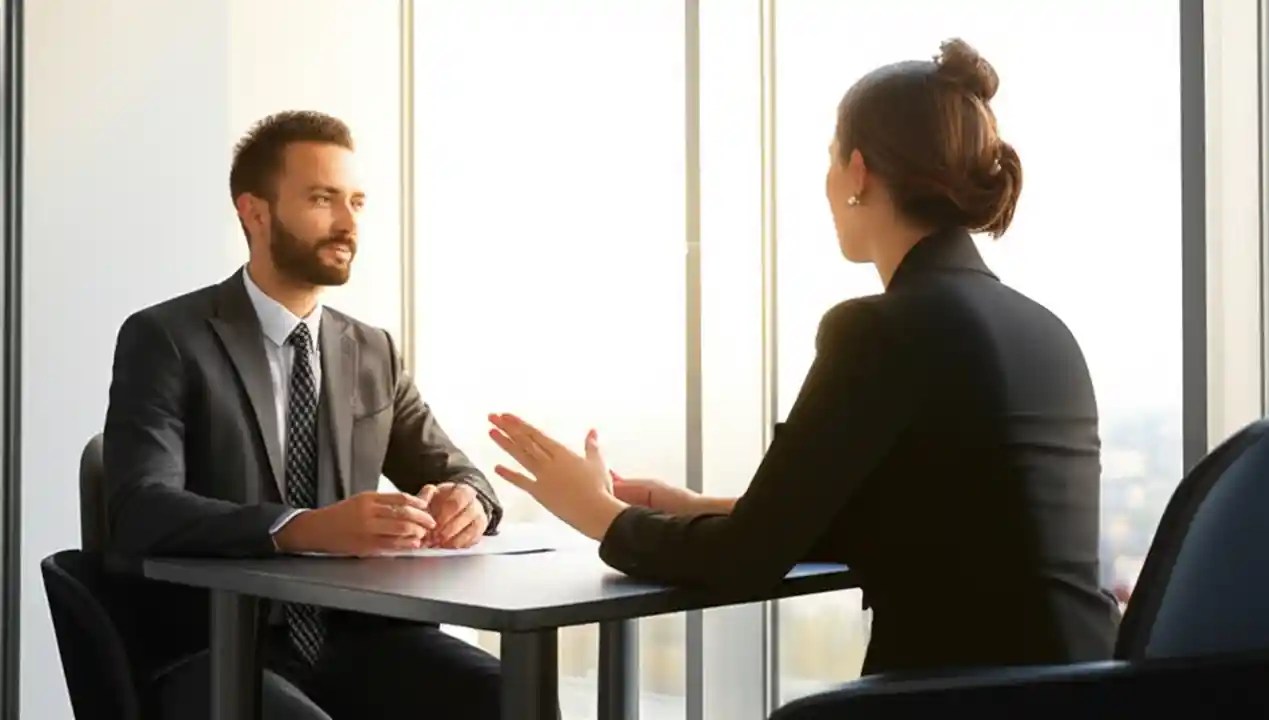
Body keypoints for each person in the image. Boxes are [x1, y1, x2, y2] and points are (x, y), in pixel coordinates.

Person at [485, 39, 1122, 678]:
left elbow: (745, 559)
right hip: (1087, 690)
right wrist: (688, 505)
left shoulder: (881, 331)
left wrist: (597, 513)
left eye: (829, 158)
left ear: (858, 172)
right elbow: (909, 523)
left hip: (958, 698)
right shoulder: (1045, 331)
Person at [104, 111, 506, 719]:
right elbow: (140, 508)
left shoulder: (372, 351)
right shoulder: (166, 338)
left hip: (359, 634)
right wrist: (305, 528)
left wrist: (469, 500)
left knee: (511, 694)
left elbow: (457, 471)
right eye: (323, 199)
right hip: (218, 645)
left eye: (357, 202)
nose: (348, 224)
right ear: (255, 212)